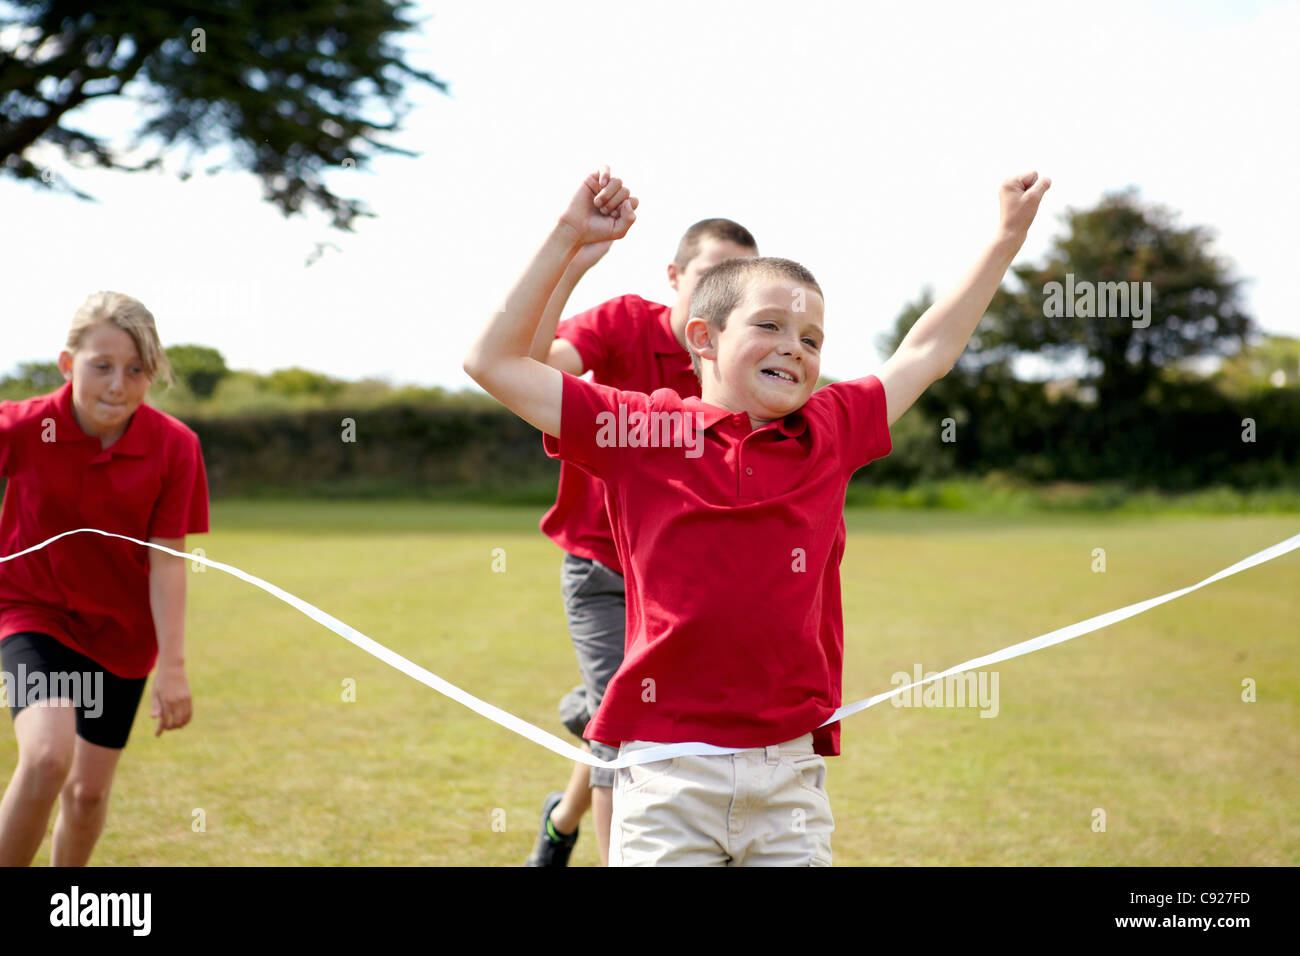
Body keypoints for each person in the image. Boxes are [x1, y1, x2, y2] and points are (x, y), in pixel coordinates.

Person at [464, 166, 1049, 865]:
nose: (793, 347)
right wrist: (569, 239)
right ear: (703, 338)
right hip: (666, 775)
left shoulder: (831, 429)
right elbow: (492, 360)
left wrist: (1005, 240)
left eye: (810, 338)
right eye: (769, 325)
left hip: (790, 781)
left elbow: (927, 349)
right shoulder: (639, 430)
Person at [525, 174, 758, 867]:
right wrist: (570, 261)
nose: (726, 295)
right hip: (604, 568)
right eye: (714, 275)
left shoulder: (741, 362)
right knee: (623, 738)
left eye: (742, 282)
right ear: (673, 277)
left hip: (685, 582)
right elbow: (534, 366)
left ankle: (561, 817)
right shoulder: (623, 322)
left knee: (619, 717)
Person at [0, 291, 210, 866]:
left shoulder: (175, 448)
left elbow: (167, 560)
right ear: (68, 364)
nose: (118, 384)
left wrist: (173, 666)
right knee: (46, 757)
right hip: (34, 615)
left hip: (122, 636)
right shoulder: (23, 428)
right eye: (102, 366)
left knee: (87, 796)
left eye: (136, 369)